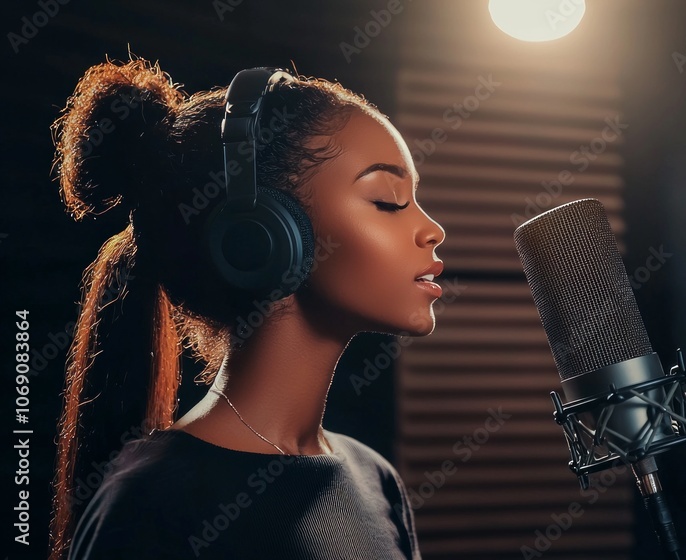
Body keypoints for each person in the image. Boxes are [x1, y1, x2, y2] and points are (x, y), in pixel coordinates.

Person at [47, 55, 444, 560]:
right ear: (259, 236)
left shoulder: (376, 479)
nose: (433, 229)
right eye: (388, 200)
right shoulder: (153, 502)